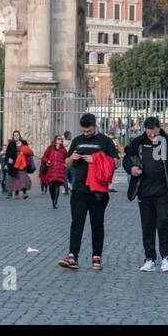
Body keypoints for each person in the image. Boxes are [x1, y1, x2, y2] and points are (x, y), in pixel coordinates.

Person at [57, 112, 118, 272]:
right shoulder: (77, 141)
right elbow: (67, 164)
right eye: (84, 131)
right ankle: (72, 256)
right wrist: (73, 158)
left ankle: (96, 257)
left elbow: (115, 163)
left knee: (97, 225)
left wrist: (96, 159)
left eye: (89, 131)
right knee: (76, 223)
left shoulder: (105, 141)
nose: (86, 134)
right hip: (79, 189)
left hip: (98, 190)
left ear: (95, 126)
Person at [123, 116, 168, 272]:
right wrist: (131, 169)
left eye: (154, 130)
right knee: (147, 225)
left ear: (159, 128)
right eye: (148, 130)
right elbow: (126, 159)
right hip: (143, 191)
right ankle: (149, 259)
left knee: (164, 222)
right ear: (145, 129)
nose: (151, 133)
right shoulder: (138, 142)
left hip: (164, 191)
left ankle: (166, 258)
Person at [41, 134, 68, 209]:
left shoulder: (63, 149)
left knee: (56, 186)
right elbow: (44, 157)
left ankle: (55, 202)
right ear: (55, 139)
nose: (60, 140)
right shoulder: (50, 148)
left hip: (59, 170)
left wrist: (65, 164)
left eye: (61, 139)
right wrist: (48, 161)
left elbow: (67, 158)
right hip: (51, 170)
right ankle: (53, 199)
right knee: (51, 186)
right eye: (59, 139)